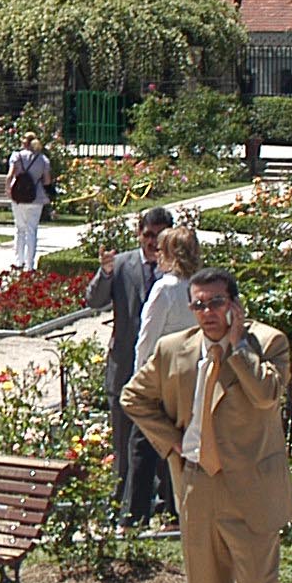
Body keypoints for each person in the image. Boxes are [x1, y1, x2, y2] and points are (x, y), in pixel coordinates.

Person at [121, 265, 292, 583]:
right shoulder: (174, 350)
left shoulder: (268, 343)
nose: (206, 313)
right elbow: (133, 398)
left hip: (252, 495)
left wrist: (237, 349)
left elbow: (266, 397)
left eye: (215, 303)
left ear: (235, 305)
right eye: (198, 304)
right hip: (198, 488)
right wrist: (173, 443)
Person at [92, 205, 174, 527]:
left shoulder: (177, 270)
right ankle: (120, 507)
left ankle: (167, 505)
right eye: (147, 234)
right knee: (124, 444)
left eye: (159, 235)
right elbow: (93, 300)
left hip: (165, 374)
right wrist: (105, 273)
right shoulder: (122, 264)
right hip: (124, 366)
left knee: (165, 442)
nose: (153, 242)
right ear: (139, 234)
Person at [120, 221, 200, 527]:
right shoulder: (198, 284)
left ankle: (134, 516)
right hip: (190, 376)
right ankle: (173, 511)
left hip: (160, 377)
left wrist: (138, 382)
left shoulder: (165, 288)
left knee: (142, 446)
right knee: (180, 444)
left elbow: (147, 339)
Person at [6, 133, 56, 271]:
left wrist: (8, 190)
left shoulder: (16, 156)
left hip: (18, 196)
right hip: (36, 196)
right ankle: (30, 264)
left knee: (19, 229)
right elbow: (47, 181)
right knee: (31, 230)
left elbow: (10, 175)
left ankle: (18, 260)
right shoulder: (43, 159)